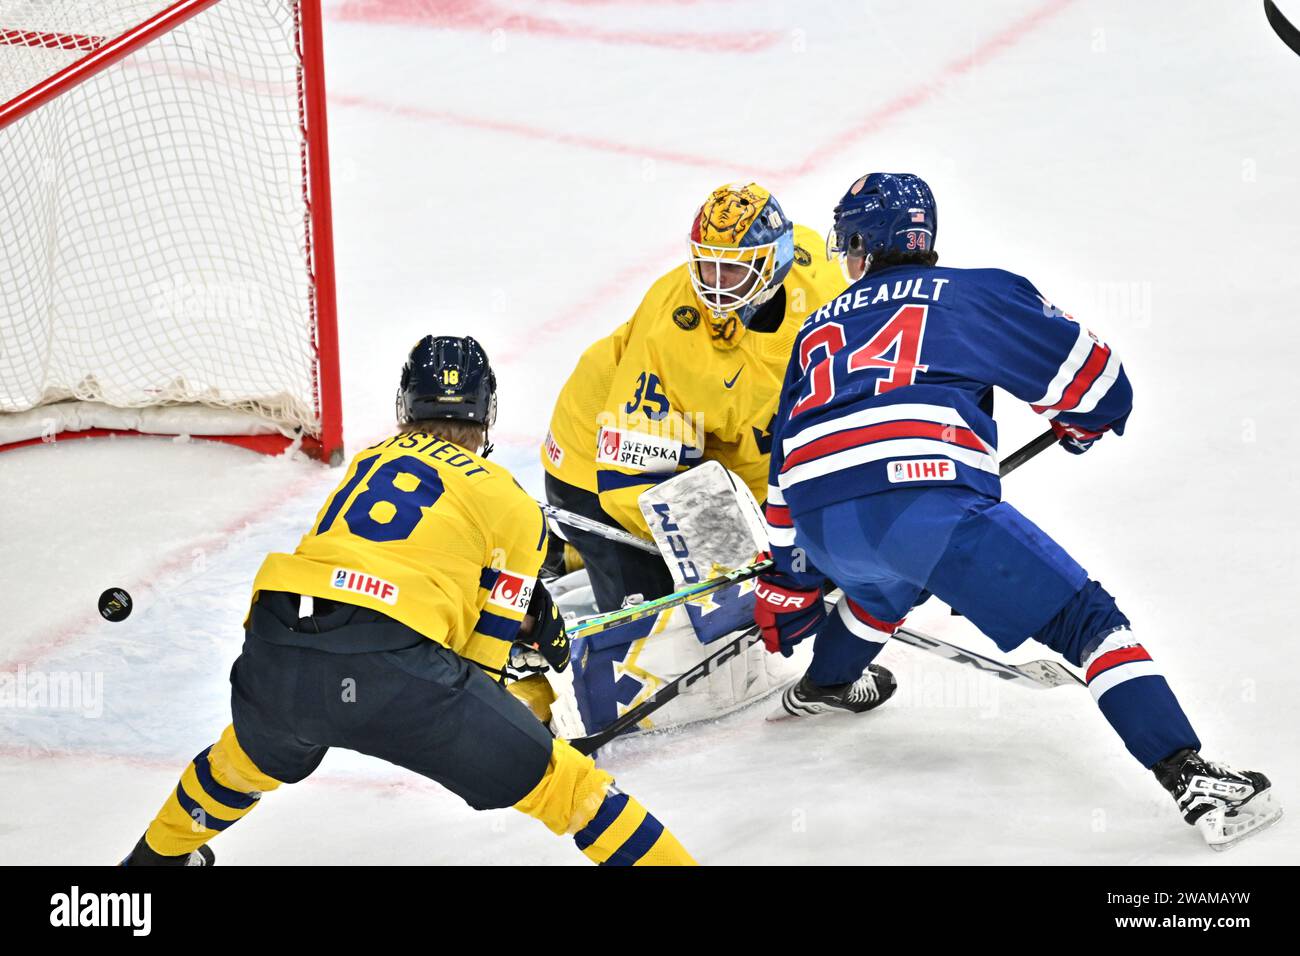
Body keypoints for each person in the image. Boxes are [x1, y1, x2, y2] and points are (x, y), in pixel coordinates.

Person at [752, 172, 1280, 849]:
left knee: (882, 592)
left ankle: (824, 684)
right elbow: (1102, 387)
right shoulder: (978, 291)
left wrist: (790, 580)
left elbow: (781, 473)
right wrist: (1081, 425)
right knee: (1090, 623)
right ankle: (1193, 776)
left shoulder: (814, 328)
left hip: (824, 518)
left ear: (861, 244)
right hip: (924, 503)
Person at [124, 336, 695, 866]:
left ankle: (147, 867)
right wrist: (524, 706)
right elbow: (477, 665)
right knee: (569, 789)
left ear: (405, 407)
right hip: (390, 665)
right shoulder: (512, 506)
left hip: (276, 637)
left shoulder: (369, 461)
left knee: (241, 763)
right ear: (487, 413)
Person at [541, 182, 845, 611]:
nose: (717, 287)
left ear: (777, 262)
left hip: (725, 464)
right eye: (707, 267)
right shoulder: (674, 339)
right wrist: (739, 557)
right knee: (662, 625)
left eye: (735, 270)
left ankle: (572, 558)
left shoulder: (816, 272)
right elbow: (631, 482)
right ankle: (583, 550)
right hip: (597, 466)